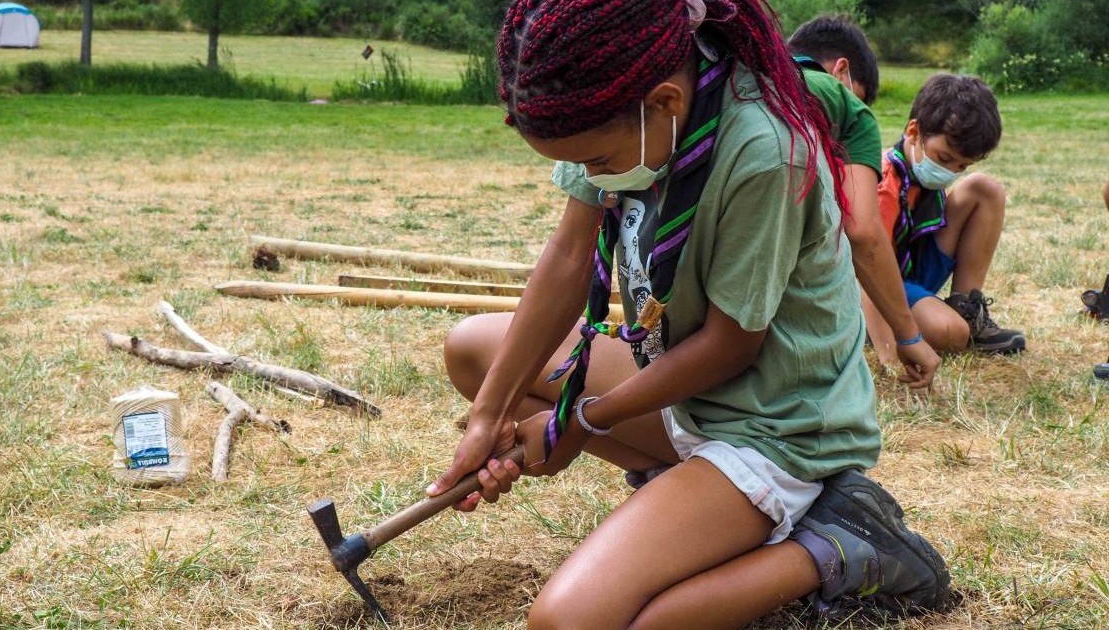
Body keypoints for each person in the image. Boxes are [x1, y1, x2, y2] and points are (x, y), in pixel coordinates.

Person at [428, 1, 950, 628]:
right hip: (684, 393)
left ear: (666, 102)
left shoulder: (765, 151)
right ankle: (694, 498)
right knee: (474, 350)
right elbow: (570, 255)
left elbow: (731, 348)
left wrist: (581, 419)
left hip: (775, 425)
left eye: (596, 163)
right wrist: (489, 417)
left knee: (570, 624)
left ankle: (844, 545)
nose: (593, 178)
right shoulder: (624, 109)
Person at [789, 15, 941, 384]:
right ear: (841, 71)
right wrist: (909, 335)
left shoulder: (725, 78)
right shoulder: (848, 111)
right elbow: (863, 234)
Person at [873, 73, 1025, 354]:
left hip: (914, 271)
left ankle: (967, 309)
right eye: (944, 158)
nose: (950, 172)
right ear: (914, 132)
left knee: (985, 189)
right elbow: (866, 268)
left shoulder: (925, 177)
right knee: (951, 334)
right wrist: (888, 352)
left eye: (961, 166)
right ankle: (886, 323)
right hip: (879, 285)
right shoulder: (884, 181)